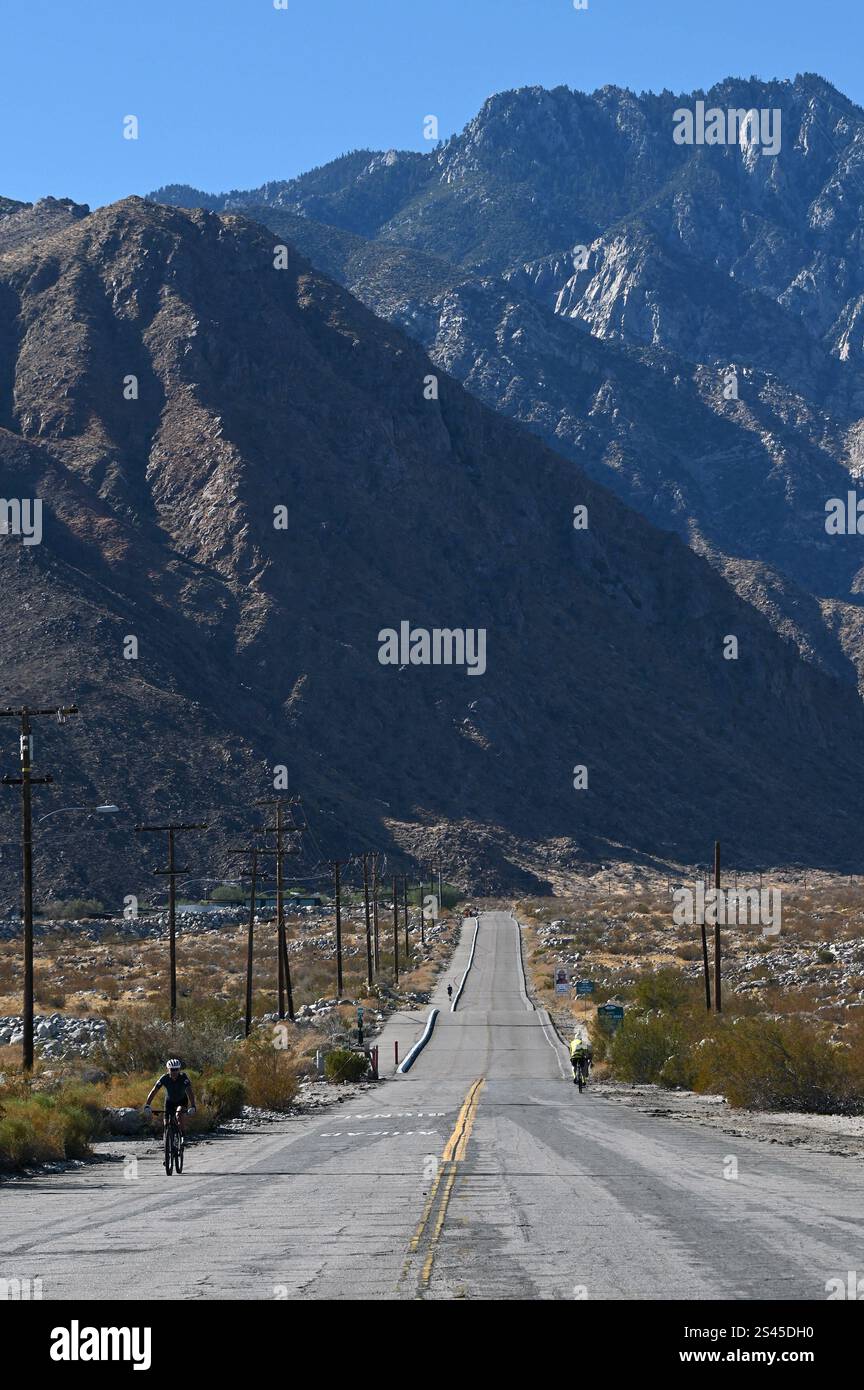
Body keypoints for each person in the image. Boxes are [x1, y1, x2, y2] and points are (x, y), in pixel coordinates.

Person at [144, 1059, 196, 1137]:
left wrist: (193, 1106)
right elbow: (154, 1091)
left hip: (182, 1100)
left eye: (176, 1069)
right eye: (172, 1069)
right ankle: (167, 1142)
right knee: (166, 1124)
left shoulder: (183, 1077)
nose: (174, 1072)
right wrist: (147, 1105)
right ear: (168, 1069)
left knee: (178, 1114)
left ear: (179, 1069)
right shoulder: (164, 1078)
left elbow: (189, 1092)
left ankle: (182, 1135)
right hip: (169, 1101)